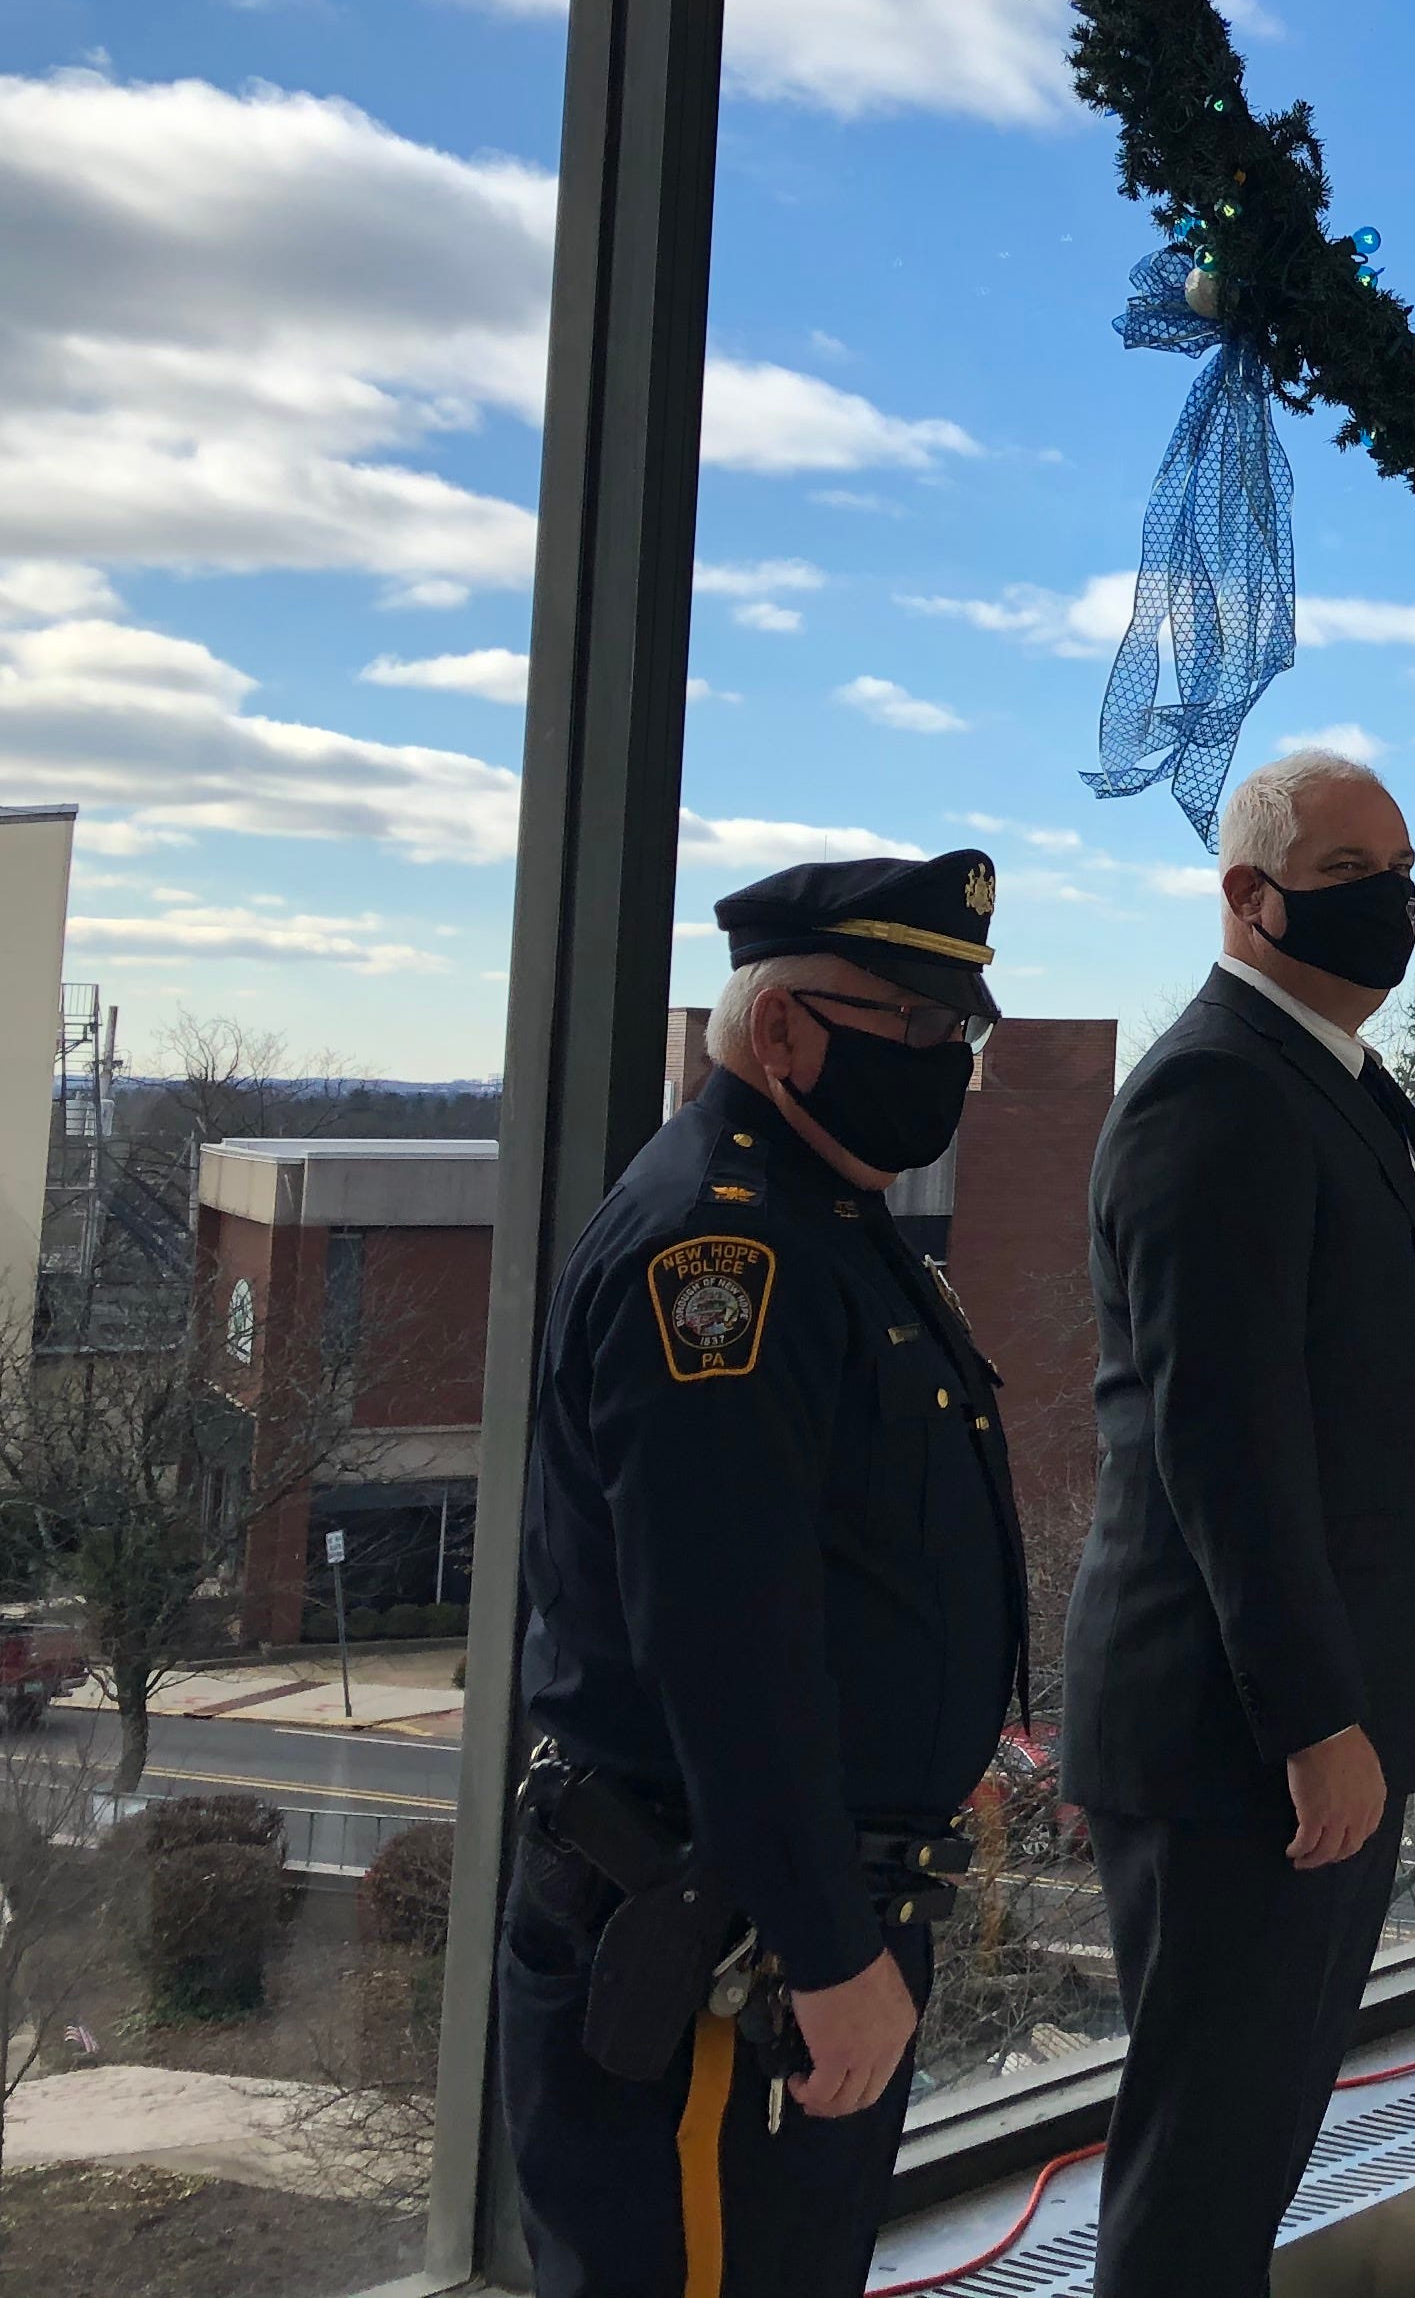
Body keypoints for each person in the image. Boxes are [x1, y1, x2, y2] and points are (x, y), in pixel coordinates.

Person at [499, 849, 1026, 2298]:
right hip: (722, 1937)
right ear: (782, 1028)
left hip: (791, 1926)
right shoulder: (721, 1251)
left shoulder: (824, 1219)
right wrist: (826, 1946)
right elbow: (724, 1642)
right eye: (917, 1026)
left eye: (962, 1035)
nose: (947, 1063)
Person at [1064, 749, 1415, 2294]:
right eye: (1351, 874)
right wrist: (1316, 1719)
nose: (1394, 902)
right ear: (1250, 899)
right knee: (1205, 2167)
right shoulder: (1218, 1093)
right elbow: (1224, 1448)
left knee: (1249, 2150)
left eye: (1403, 869)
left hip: (1316, 1721)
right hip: (1237, 1739)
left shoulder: (1333, 1082)